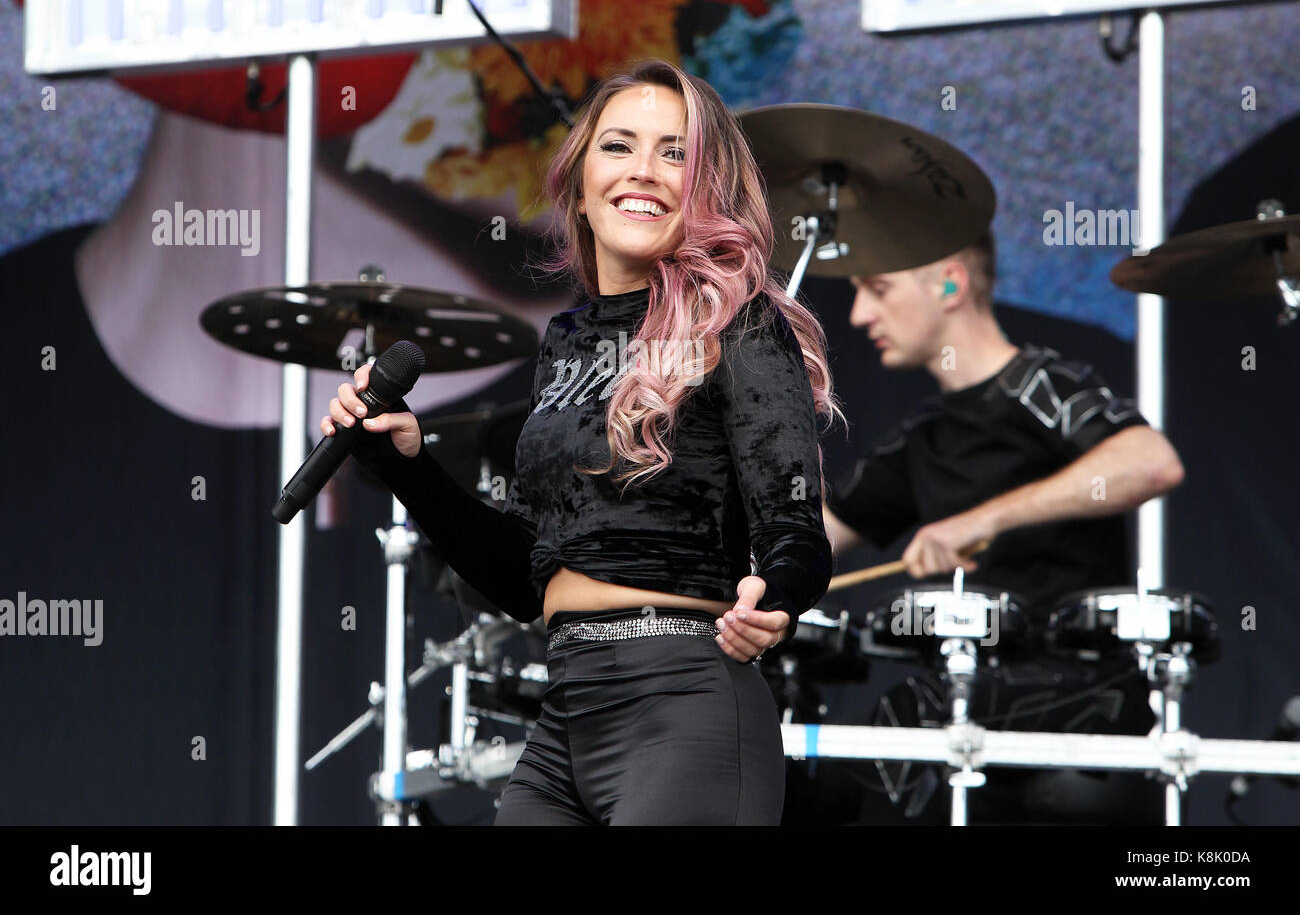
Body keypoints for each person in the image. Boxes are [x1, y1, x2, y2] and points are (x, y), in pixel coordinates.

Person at [322, 59, 843, 825]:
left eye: (675, 153)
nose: (645, 171)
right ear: (580, 180)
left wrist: (782, 594)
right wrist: (407, 466)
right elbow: (526, 578)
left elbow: (794, 522)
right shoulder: (568, 341)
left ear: (705, 189)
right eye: (620, 146)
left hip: (686, 701)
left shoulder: (740, 324)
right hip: (565, 711)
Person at [820, 231, 1186, 825]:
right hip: (970, 702)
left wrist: (982, 519)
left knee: (901, 725)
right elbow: (811, 542)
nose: (860, 314)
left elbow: (1152, 462)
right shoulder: (923, 440)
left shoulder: (1042, 383)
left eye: (878, 290)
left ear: (950, 282)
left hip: (1085, 699)